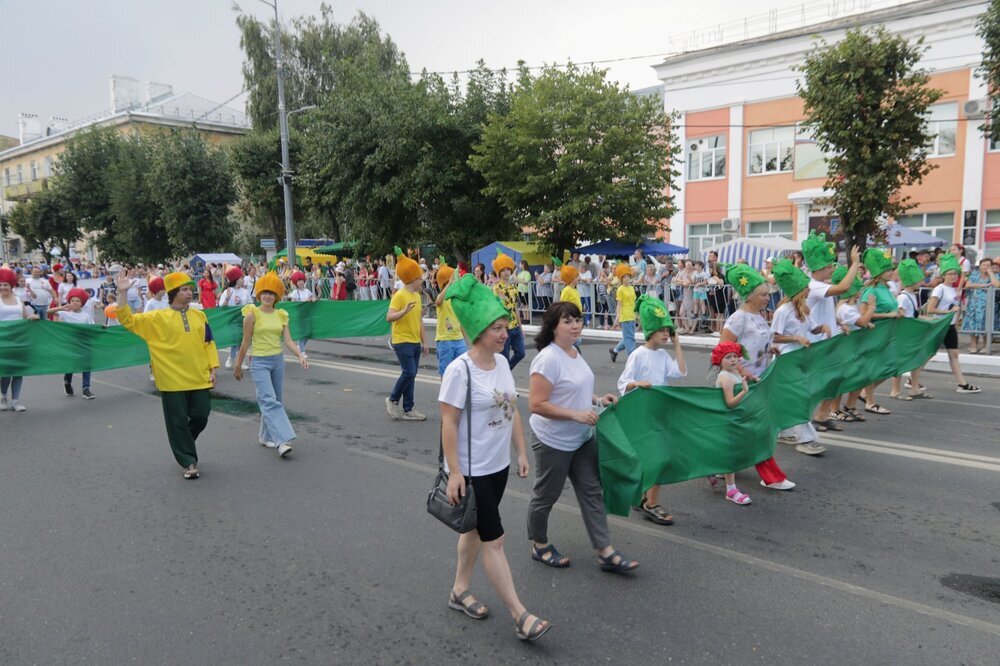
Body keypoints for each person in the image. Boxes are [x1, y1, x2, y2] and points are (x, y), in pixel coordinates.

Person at [437, 275, 551, 642]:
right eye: (497, 328)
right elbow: (448, 422)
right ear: (477, 331)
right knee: (495, 539)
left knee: (473, 529)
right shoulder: (460, 370)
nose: (505, 333)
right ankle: (520, 615)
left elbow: (511, 408)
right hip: (471, 471)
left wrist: (520, 450)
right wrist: (455, 472)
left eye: (506, 326)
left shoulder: (502, 364)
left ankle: (459, 590)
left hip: (497, 465)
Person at [526, 301, 639, 574]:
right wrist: (576, 415)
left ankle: (605, 552)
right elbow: (537, 404)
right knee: (546, 495)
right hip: (554, 440)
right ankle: (539, 544)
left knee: (591, 493)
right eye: (568, 321)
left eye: (578, 320)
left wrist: (598, 400)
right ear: (553, 327)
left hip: (582, 438)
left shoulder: (574, 351)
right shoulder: (548, 358)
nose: (575, 325)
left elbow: (574, 390)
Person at [115, 270, 220, 479]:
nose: (190, 293)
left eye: (190, 289)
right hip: (171, 379)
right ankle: (188, 461)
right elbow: (127, 320)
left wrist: (213, 367)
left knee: (201, 415)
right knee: (177, 421)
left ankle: (182, 443)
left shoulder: (199, 315)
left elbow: (209, 342)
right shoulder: (156, 317)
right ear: (173, 292)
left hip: (199, 375)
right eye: (184, 290)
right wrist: (122, 293)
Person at [720, 264, 799, 486]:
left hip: (760, 379)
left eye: (768, 294)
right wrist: (742, 371)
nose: (768, 298)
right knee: (760, 428)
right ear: (751, 296)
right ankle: (771, 477)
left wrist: (768, 351)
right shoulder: (738, 318)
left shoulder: (758, 316)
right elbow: (722, 351)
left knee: (742, 429)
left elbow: (755, 344)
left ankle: (720, 463)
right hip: (743, 383)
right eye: (763, 295)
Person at [616, 294, 687, 524]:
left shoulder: (664, 355)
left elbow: (680, 373)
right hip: (642, 415)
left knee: (654, 458)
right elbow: (623, 384)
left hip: (658, 413)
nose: (666, 334)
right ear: (650, 332)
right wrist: (638, 384)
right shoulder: (638, 355)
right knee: (658, 458)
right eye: (662, 330)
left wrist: (677, 345)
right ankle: (651, 503)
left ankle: (643, 498)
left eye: (668, 330)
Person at [233, 272, 308, 457]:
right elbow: (245, 342)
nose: (267, 296)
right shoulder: (251, 314)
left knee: (276, 400)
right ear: (258, 294)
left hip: (277, 360)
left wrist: (300, 355)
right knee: (268, 400)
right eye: (264, 292)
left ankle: (265, 435)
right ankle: (282, 440)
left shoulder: (281, 314)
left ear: (277, 296)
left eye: (272, 293)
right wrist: (238, 365)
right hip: (259, 362)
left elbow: (289, 341)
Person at [800, 232, 862, 430]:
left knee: (837, 377)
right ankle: (806, 419)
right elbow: (844, 287)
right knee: (820, 382)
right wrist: (854, 264)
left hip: (828, 340)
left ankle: (822, 414)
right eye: (829, 266)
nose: (831, 269)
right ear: (818, 268)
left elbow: (823, 310)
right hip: (815, 342)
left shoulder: (821, 286)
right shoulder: (813, 286)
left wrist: (838, 322)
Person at [769, 259, 827, 455]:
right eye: (806, 288)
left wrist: (824, 327)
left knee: (790, 398)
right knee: (800, 398)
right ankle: (806, 439)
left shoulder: (802, 311)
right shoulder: (782, 311)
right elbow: (773, 336)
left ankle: (783, 431)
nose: (810, 291)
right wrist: (795, 338)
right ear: (799, 291)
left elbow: (813, 328)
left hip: (799, 361)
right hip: (786, 361)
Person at [927, 254, 981, 393]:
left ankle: (962, 384)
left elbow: (955, 309)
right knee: (929, 354)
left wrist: (955, 321)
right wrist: (949, 312)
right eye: (950, 274)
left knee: (954, 354)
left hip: (949, 326)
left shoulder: (954, 290)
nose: (953, 276)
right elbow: (930, 309)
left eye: (956, 274)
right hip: (939, 325)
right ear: (944, 275)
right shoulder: (940, 288)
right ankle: (912, 379)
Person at [858, 249, 904, 414]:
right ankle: (870, 402)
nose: (891, 272)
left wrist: (898, 313)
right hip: (874, 333)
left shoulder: (888, 289)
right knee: (873, 368)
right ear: (879, 272)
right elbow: (863, 314)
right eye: (888, 270)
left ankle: (864, 392)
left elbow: (892, 309)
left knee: (893, 366)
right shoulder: (871, 290)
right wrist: (888, 315)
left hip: (888, 335)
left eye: (891, 269)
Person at [386, 248, 428, 421]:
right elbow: (389, 317)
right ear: (413, 278)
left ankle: (409, 408)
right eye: (420, 277)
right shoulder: (399, 296)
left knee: (412, 374)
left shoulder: (417, 296)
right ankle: (393, 399)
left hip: (414, 340)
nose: (422, 280)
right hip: (401, 340)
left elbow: (419, 320)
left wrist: (425, 341)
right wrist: (403, 311)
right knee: (409, 372)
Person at [709, 341, 754, 505]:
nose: (733, 360)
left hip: (736, 418)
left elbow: (741, 376)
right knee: (731, 453)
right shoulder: (725, 377)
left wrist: (751, 378)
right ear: (720, 361)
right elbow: (730, 403)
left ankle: (711, 468)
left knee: (731, 451)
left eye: (735, 356)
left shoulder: (733, 371)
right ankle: (731, 490)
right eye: (728, 357)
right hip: (726, 419)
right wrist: (744, 391)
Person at [831, 266, 876, 421]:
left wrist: (866, 323)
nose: (861, 289)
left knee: (860, 377)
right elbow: (862, 320)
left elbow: (860, 322)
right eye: (858, 287)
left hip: (856, 348)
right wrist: (871, 308)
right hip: (845, 349)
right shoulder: (844, 308)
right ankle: (834, 409)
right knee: (842, 379)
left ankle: (850, 406)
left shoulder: (851, 307)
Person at [889, 259, 934, 401]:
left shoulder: (913, 295)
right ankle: (895, 390)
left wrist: (930, 320)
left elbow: (914, 315)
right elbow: (900, 315)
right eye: (918, 280)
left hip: (913, 334)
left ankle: (914, 389)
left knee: (917, 360)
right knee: (900, 362)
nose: (921, 282)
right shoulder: (903, 297)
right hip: (904, 335)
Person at [0, 268, 39, 412]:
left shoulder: (18, 300)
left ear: (11, 285)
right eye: (0, 284)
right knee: (5, 371)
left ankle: (15, 401)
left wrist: (32, 317)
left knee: (18, 371)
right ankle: (3, 397)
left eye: (5, 284)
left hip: (19, 340)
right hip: (3, 342)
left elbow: (24, 316)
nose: (3, 287)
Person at [49, 287, 97, 399]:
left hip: (84, 343)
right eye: (72, 300)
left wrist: (103, 328)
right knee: (71, 365)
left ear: (82, 303)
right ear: (69, 301)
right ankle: (67, 381)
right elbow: (49, 312)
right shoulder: (65, 313)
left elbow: (92, 327)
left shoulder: (86, 315)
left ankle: (86, 389)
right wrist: (62, 307)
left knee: (86, 365)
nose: (75, 303)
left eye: (78, 301)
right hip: (70, 343)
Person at [491, 250, 526, 370]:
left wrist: (520, 328)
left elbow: (515, 307)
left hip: (515, 326)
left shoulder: (513, 287)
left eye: (508, 270)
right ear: (499, 272)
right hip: (504, 327)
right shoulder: (496, 288)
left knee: (521, 353)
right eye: (503, 270)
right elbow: (495, 309)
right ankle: (502, 375)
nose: (506, 272)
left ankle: (505, 371)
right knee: (503, 357)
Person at [434, 259, 467, 376]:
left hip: (459, 339)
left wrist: (467, 342)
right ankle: (445, 394)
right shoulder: (442, 298)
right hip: (445, 340)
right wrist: (449, 283)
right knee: (446, 372)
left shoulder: (457, 298)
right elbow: (438, 301)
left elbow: (461, 321)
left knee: (463, 369)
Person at [961, 258, 999, 353]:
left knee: (987, 324)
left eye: (988, 265)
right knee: (973, 324)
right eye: (984, 265)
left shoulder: (996, 275)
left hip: (989, 305)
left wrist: (990, 273)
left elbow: (996, 285)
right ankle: (974, 345)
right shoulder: (974, 274)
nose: (986, 267)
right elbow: (968, 285)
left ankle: (986, 346)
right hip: (974, 304)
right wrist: (984, 286)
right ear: (980, 266)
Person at [219, 267, 252, 369]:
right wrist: (228, 298)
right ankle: (233, 358)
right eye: (241, 278)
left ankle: (238, 360)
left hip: (243, 320)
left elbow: (250, 304)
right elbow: (222, 306)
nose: (243, 280)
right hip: (232, 320)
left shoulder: (245, 292)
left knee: (242, 341)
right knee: (236, 340)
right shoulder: (227, 291)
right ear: (236, 280)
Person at [609, 263, 636, 363]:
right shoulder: (620, 289)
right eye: (624, 276)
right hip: (625, 315)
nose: (627, 278)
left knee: (628, 337)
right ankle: (632, 357)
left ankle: (615, 350)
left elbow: (633, 302)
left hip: (632, 314)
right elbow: (619, 304)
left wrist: (637, 315)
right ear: (621, 278)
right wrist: (617, 317)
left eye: (628, 276)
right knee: (629, 338)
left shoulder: (631, 288)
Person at [516, 260, 532, 324]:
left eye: (520, 264)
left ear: (523, 265)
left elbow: (526, 281)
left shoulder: (527, 273)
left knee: (526, 305)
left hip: (525, 291)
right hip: (520, 290)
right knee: (523, 305)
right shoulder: (520, 273)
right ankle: (525, 318)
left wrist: (520, 280)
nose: (519, 265)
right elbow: (516, 280)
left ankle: (528, 318)